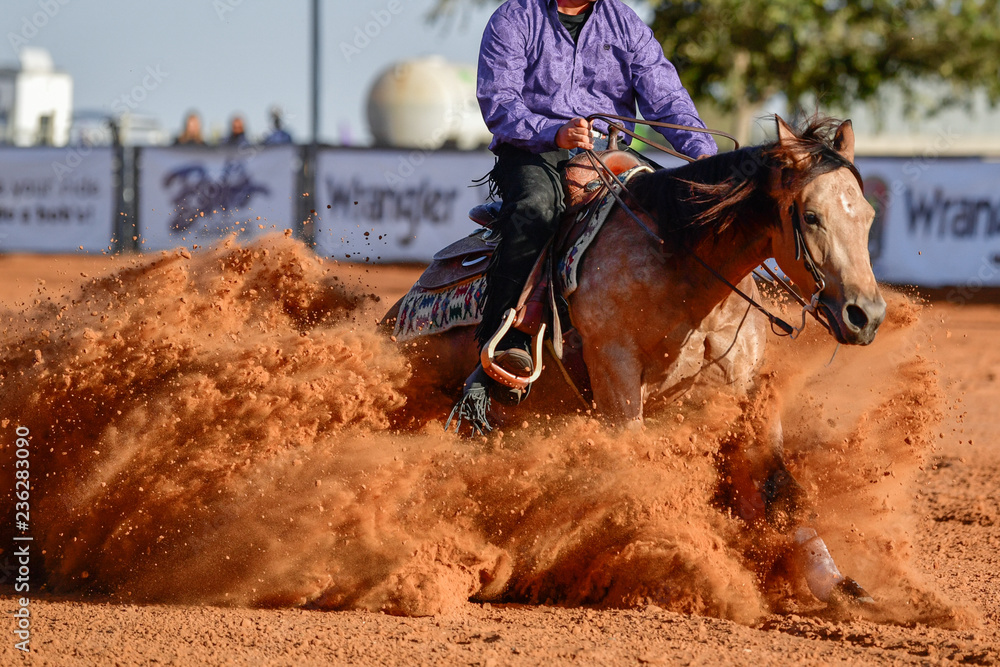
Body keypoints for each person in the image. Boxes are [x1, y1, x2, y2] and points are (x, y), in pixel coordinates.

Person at [458, 0, 717, 420]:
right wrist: (553, 132)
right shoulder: (515, 17)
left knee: (668, 211)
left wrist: (706, 158)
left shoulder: (626, 24)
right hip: (534, 152)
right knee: (536, 210)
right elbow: (499, 101)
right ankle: (504, 341)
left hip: (611, 154)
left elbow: (666, 98)